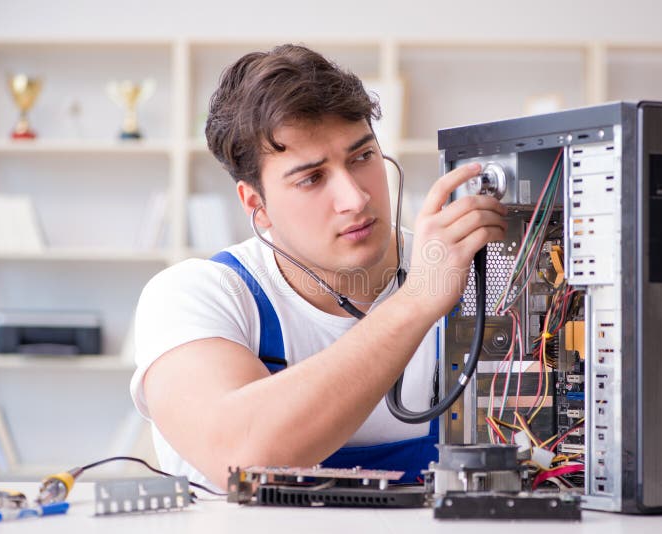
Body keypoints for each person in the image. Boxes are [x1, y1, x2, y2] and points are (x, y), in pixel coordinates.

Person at [129, 44, 506, 490]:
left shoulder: (472, 274)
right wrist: (418, 300)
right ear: (257, 205)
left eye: (362, 157)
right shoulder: (196, 295)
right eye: (312, 178)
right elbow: (241, 456)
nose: (356, 198)